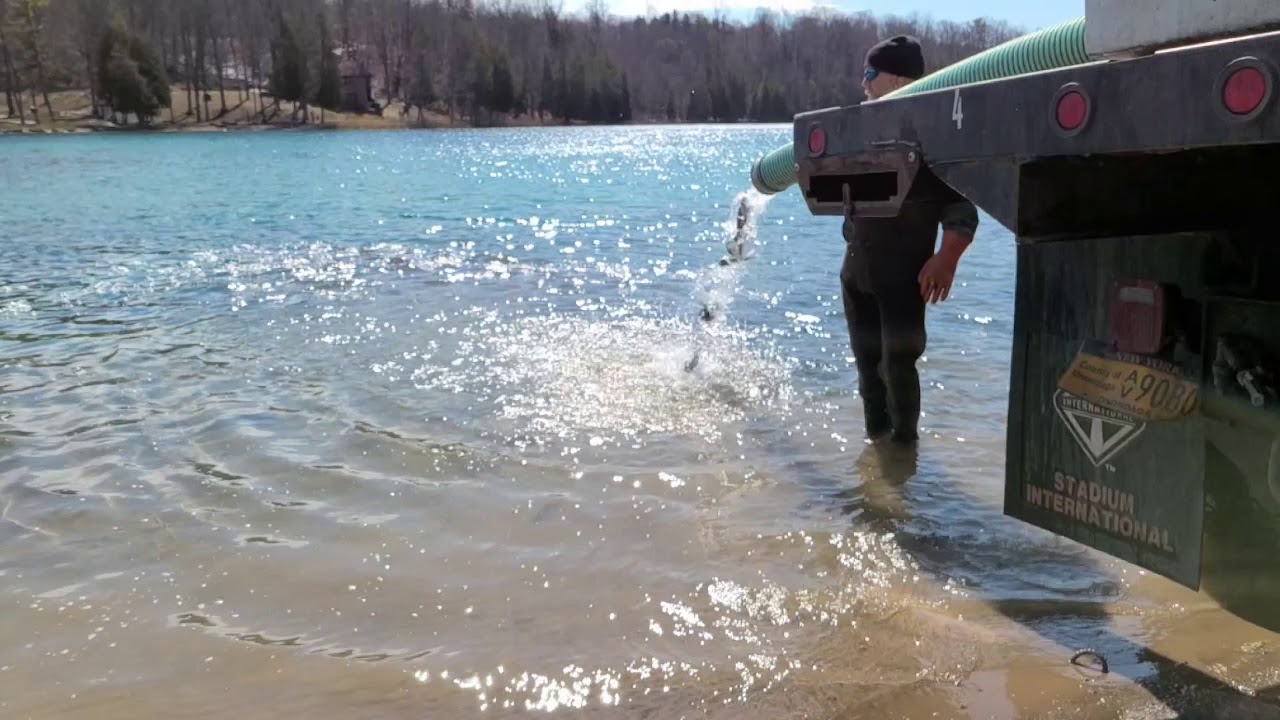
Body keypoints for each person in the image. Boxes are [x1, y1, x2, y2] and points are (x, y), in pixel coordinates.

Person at [841, 35, 979, 446]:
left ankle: (903, 457)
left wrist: (947, 258)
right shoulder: (860, 132)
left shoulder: (932, 140)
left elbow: (963, 208)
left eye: (870, 74)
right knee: (867, 366)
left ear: (900, 82)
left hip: (904, 276)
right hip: (856, 272)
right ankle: (876, 445)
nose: (863, 83)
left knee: (898, 365)